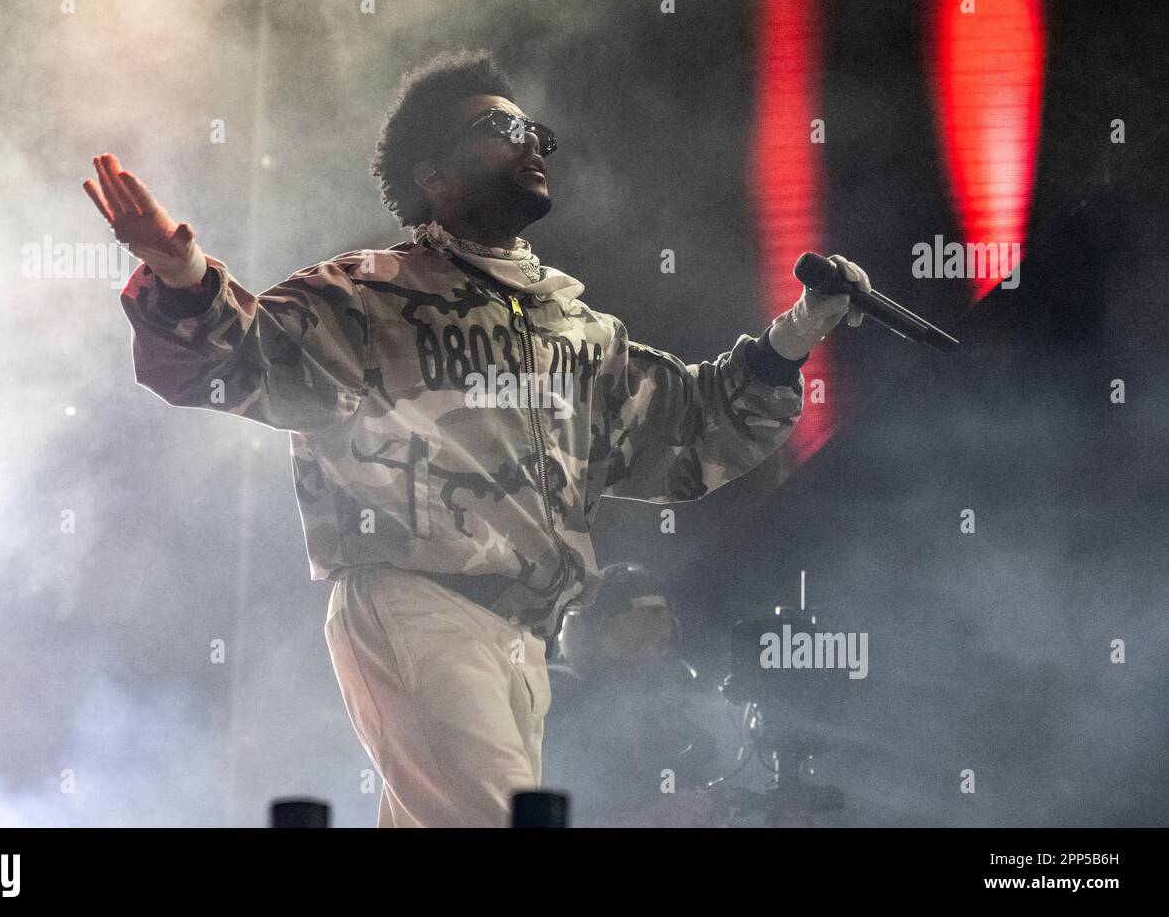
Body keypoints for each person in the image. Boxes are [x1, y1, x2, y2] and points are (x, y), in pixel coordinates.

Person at [83, 49, 871, 827]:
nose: (529, 140)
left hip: (524, 637)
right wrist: (177, 265)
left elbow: (693, 425)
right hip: (416, 603)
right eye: (499, 127)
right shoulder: (372, 294)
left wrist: (799, 332)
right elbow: (241, 353)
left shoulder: (577, 330)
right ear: (436, 177)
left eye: (534, 129)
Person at [545, 562, 728, 827]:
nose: (648, 656)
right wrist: (641, 820)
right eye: (634, 642)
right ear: (588, 638)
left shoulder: (664, 707)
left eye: (659, 643)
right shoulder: (557, 699)